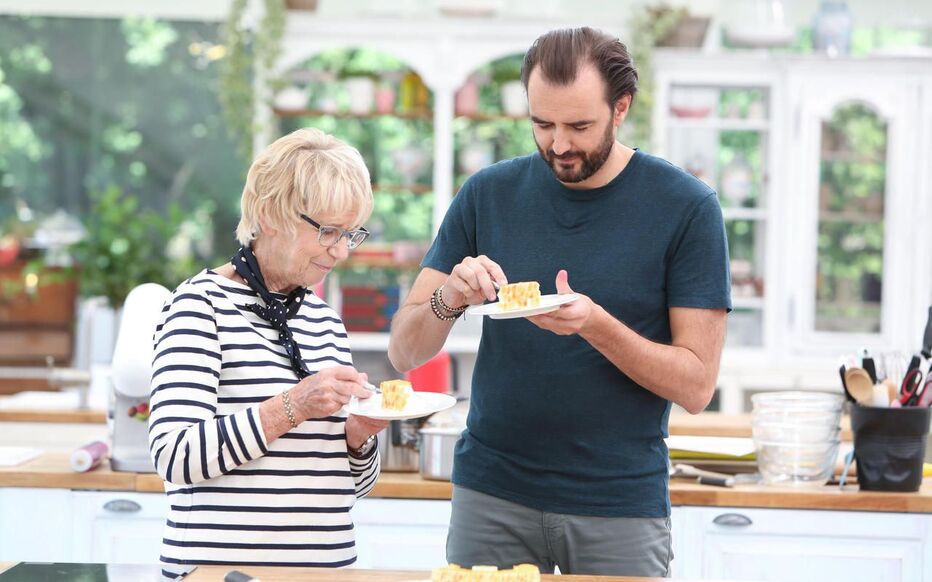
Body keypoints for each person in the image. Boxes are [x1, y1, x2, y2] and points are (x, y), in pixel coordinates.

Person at [388, 27, 731, 577]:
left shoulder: (686, 208)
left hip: (619, 506)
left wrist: (595, 325)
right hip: (491, 495)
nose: (560, 145)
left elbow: (696, 386)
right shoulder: (487, 194)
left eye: (579, 126)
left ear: (621, 108)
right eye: (542, 124)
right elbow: (404, 352)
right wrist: (449, 297)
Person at [148, 128, 389, 568]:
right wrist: (292, 406)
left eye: (350, 234)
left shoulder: (325, 321)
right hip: (219, 572)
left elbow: (353, 487)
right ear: (269, 213)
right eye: (328, 231)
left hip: (325, 571)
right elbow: (175, 456)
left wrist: (358, 440)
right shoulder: (200, 305)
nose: (341, 251)